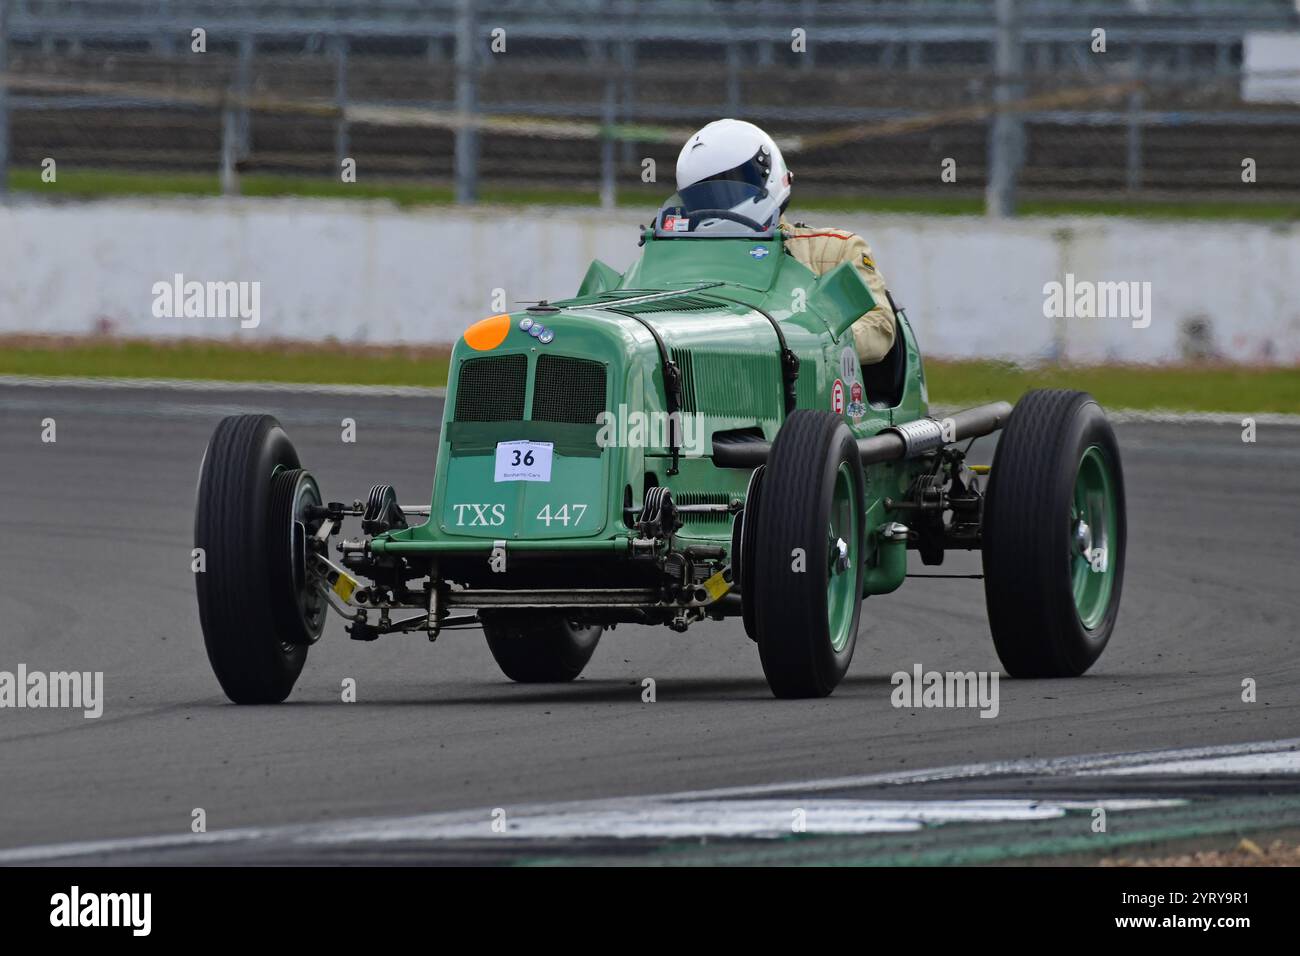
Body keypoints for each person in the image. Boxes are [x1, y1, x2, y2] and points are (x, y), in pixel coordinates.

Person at [673, 118, 896, 364]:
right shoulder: (678, 259)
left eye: (727, 190)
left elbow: (879, 328)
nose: (717, 203)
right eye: (703, 197)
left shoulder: (836, 249)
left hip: (814, 390)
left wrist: (809, 342)